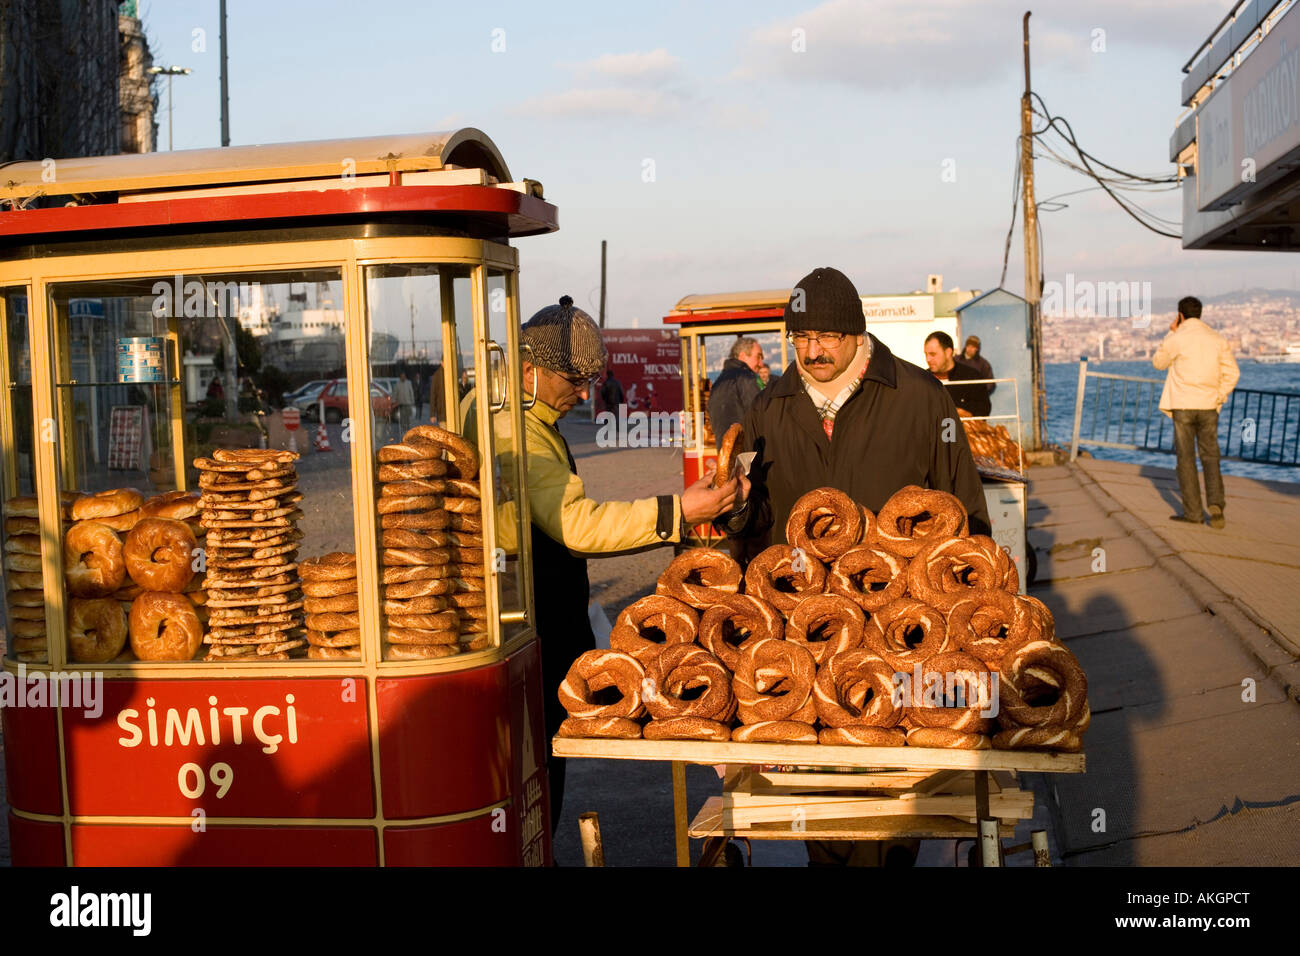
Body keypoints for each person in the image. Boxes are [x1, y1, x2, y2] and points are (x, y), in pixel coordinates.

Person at [722, 267, 990, 867]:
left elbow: (966, 513)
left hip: (903, 633)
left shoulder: (922, 398)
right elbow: (755, 519)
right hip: (805, 638)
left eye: (825, 337)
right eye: (799, 338)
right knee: (822, 806)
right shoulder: (771, 407)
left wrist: (970, 623)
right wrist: (732, 517)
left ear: (854, 335)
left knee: (892, 807)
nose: (811, 351)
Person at [462, 295, 740, 836]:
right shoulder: (513, 427)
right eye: (574, 381)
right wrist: (678, 512)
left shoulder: (502, 406)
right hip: (530, 619)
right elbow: (576, 525)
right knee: (540, 758)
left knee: (538, 761)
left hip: (533, 607)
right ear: (529, 372)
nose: (586, 394)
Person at [1153, 296, 1239, 528]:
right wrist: (1218, 395)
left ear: (1180, 316)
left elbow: (1158, 363)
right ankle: (1217, 505)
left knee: (1186, 459)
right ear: (1200, 313)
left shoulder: (1178, 338)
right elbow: (1233, 373)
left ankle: (1193, 513)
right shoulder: (1216, 339)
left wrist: (1171, 333)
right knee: (1211, 457)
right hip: (1209, 405)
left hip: (1183, 406)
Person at [923, 331, 991, 418]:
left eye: (933, 354)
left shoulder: (972, 377)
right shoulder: (922, 379)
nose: (928, 359)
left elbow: (984, 410)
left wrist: (962, 413)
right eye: (926, 354)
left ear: (948, 352)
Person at [708, 336, 764, 442]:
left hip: (726, 452)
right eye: (758, 357)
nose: (761, 364)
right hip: (747, 453)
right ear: (742, 356)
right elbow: (760, 416)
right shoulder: (745, 378)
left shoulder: (718, 382)